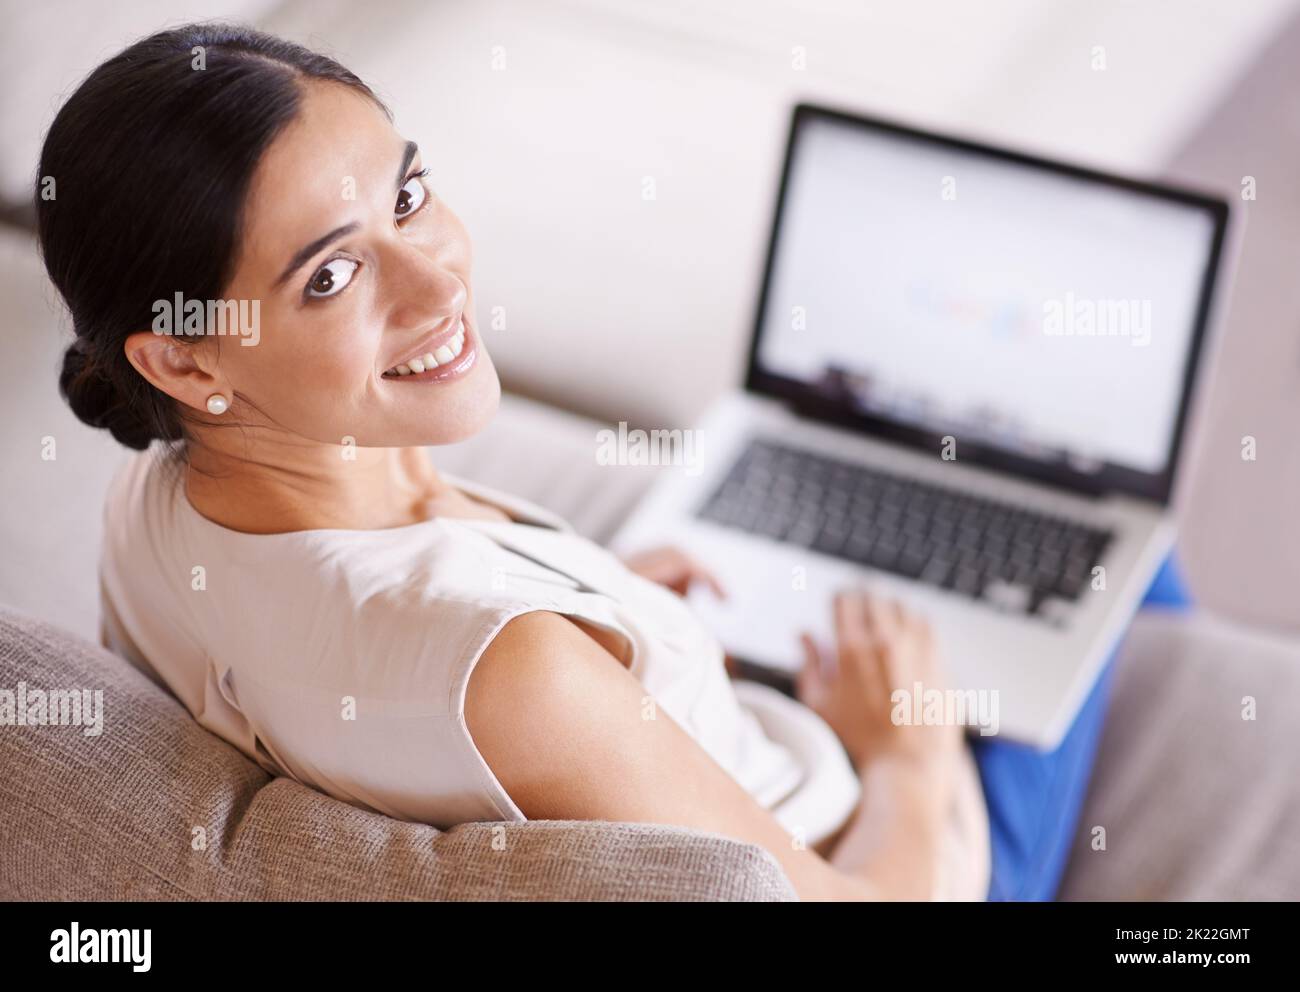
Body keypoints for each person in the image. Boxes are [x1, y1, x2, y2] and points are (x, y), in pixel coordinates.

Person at [39, 23, 1148, 901]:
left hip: (656, 724)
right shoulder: (515, 671)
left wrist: (604, 618)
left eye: (408, 197)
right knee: (1107, 554)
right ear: (183, 364)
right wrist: (907, 750)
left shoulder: (152, 499)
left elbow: (412, 666)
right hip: (863, 836)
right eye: (330, 276)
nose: (436, 283)